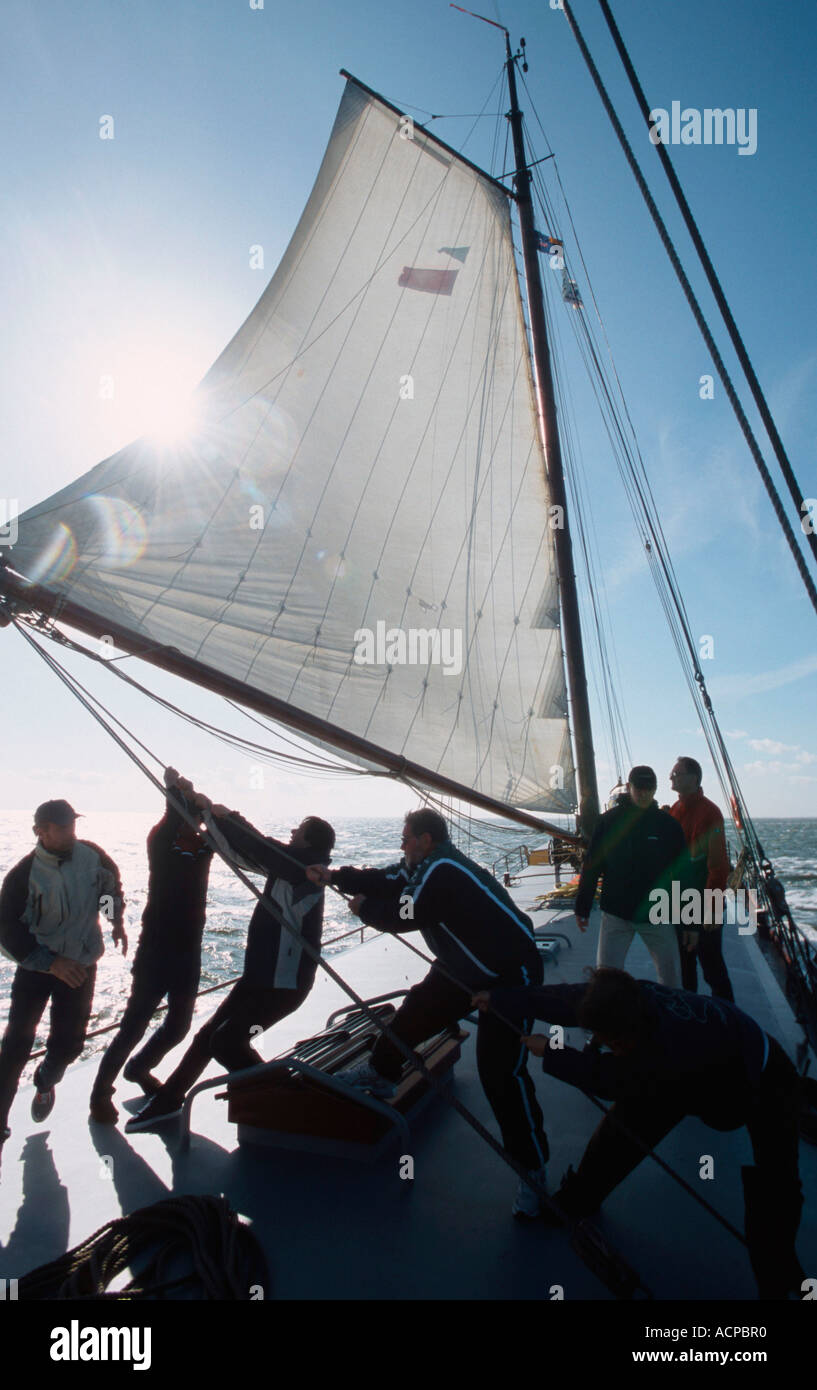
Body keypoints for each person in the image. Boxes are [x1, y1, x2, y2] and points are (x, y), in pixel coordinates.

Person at [477, 967, 804, 1299]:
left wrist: (550, 1051)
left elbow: (605, 1078)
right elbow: (573, 999)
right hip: (699, 1061)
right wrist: (504, 1000)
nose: (602, 1045)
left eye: (607, 1042)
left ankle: (780, 1279)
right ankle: (581, 1197)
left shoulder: (662, 1060)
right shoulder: (633, 997)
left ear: (624, 1039)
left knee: (777, 1185)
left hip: (763, 1078)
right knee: (623, 1129)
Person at [307, 808, 549, 1218]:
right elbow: (386, 879)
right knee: (413, 1015)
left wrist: (364, 910)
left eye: (406, 838)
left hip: (512, 973)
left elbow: (407, 914)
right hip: (466, 967)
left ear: (426, 839)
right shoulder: (423, 867)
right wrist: (335, 876)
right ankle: (383, 1074)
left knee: (500, 1073)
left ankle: (533, 1172)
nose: (401, 845)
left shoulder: (442, 870)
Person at [126, 796, 335, 1131]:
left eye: (300, 830)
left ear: (310, 842)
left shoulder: (306, 871)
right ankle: (168, 1101)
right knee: (207, 1035)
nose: (293, 831)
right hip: (260, 978)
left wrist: (225, 814)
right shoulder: (294, 864)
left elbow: (263, 848)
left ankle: (284, 1096)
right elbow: (246, 854)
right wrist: (209, 817)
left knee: (225, 1042)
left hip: (283, 986)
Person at [0, 800, 126, 1159]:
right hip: (37, 970)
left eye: (73, 825)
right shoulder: (23, 875)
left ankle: (44, 1081)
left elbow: (108, 889)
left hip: (82, 966)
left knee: (70, 1045)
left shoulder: (93, 856)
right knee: (15, 1047)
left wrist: (114, 919)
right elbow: (8, 932)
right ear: (41, 831)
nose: (72, 833)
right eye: (64, 827)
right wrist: (50, 962)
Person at [89, 770, 214, 1124]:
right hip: (156, 950)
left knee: (178, 1026)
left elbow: (222, 832)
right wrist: (175, 786)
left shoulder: (206, 846)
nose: (197, 818)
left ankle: (139, 1069)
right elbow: (174, 808)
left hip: (189, 951)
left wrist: (203, 803)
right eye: (191, 811)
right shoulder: (161, 840)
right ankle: (99, 1094)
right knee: (133, 1026)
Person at [575, 765, 689, 988]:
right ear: (629, 787)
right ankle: (606, 1018)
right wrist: (582, 906)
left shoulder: (668, 825)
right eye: (640, 788)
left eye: (649, 788)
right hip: (616, 914)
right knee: (605, 979)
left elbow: (683, 874)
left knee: (671, 978)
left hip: (657, 914)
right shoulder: (608, 822)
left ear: (655, 790)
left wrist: (690, 922)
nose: (644, 793)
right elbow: (592, 866)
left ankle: (671, 1016)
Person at [669, 756, 734, 1001]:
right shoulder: (675, 810)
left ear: (693, 778)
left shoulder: (710, 813)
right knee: (684, 966)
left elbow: (717, 867)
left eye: (676, 773)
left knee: (712, 967)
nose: (671, 777)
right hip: (680, 902)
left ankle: (730, 1021)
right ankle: (691, 1019)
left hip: (703, 902)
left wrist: (709, 913)